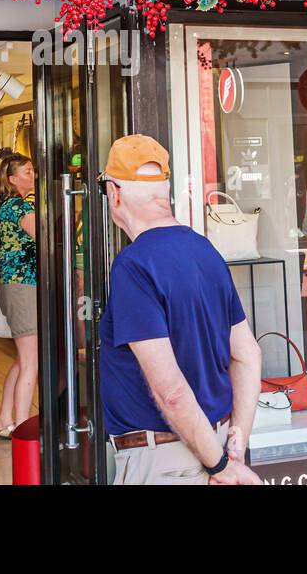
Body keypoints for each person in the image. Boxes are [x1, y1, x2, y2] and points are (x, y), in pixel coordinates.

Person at [97, 134, 262, 485]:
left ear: (114, 193)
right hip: (216, 447)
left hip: (166, 464)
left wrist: (220, 466)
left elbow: (170, 391)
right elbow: (248, 354)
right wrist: (234, 446)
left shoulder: (133, 265)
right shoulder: (205, 250)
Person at [0, 153, 38, 439]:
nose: (32, 176)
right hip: (23, 285)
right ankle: (23, 430)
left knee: (23, 360)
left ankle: (4, 420)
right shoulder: (18, 206)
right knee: (30, 361)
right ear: (12, 179)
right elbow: (44, 236)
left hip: (15, 283)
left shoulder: (7, 206)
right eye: (27, 171)